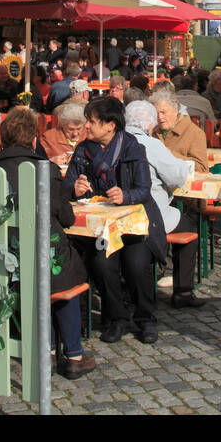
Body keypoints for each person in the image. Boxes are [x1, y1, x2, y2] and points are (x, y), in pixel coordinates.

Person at [0, 107, 95, 378]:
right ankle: (73, 354)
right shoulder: (48, 170)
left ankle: (49, 351)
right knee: (65, 273)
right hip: (46, 255)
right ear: (34, 141)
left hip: (4, 258)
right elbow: (65, 217)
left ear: (3, 139)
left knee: (54, 270)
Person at [66, 96, 166, 344]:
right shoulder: (83, 150)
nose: (86, 126)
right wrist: (75, 188)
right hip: (101, 228)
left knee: (136, 264)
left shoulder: (132, 147)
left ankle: (145, 317)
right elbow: (69, 183)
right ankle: (116, 317)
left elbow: (144, 189)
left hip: (134, 225)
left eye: (92, 121)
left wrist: (125, 195)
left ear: (110, 125)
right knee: (102, 263)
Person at [124, 100, 206, 309]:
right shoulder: (151, 144)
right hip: (152, 215)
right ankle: (183, 290)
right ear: (149, 124)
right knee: (189, 230)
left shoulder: (116, 140)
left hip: (121, 213)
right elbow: (177, 176)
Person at [151, 90, 209, 173]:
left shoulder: (194, 133)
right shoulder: (152, 131)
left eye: (163, 112)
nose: (160, 117)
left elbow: (202, 168)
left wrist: (170, 155)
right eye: (156, 113)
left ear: (176, 111)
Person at [41, 101, 86, 167]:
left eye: (79, 129)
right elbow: (39, 162)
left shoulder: (89, 136)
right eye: (71, 129)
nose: (75, 134)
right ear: (62, 125)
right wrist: (51, 161)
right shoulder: (48, 138)